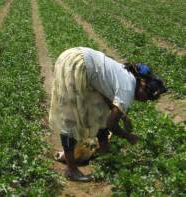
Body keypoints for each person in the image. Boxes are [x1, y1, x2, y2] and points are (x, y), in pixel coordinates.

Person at [49, 47, 167, 182]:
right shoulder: (128, 89)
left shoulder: (127, 76)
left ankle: (104, 152)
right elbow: (111, 124)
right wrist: (128, 136)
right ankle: (71, 170)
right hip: (77, 65)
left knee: (100, 110)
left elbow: (106, 97)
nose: (145, 100)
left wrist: (123, 116)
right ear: (143, 84)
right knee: (72, 117)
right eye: (147, 96)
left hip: (77, 58)